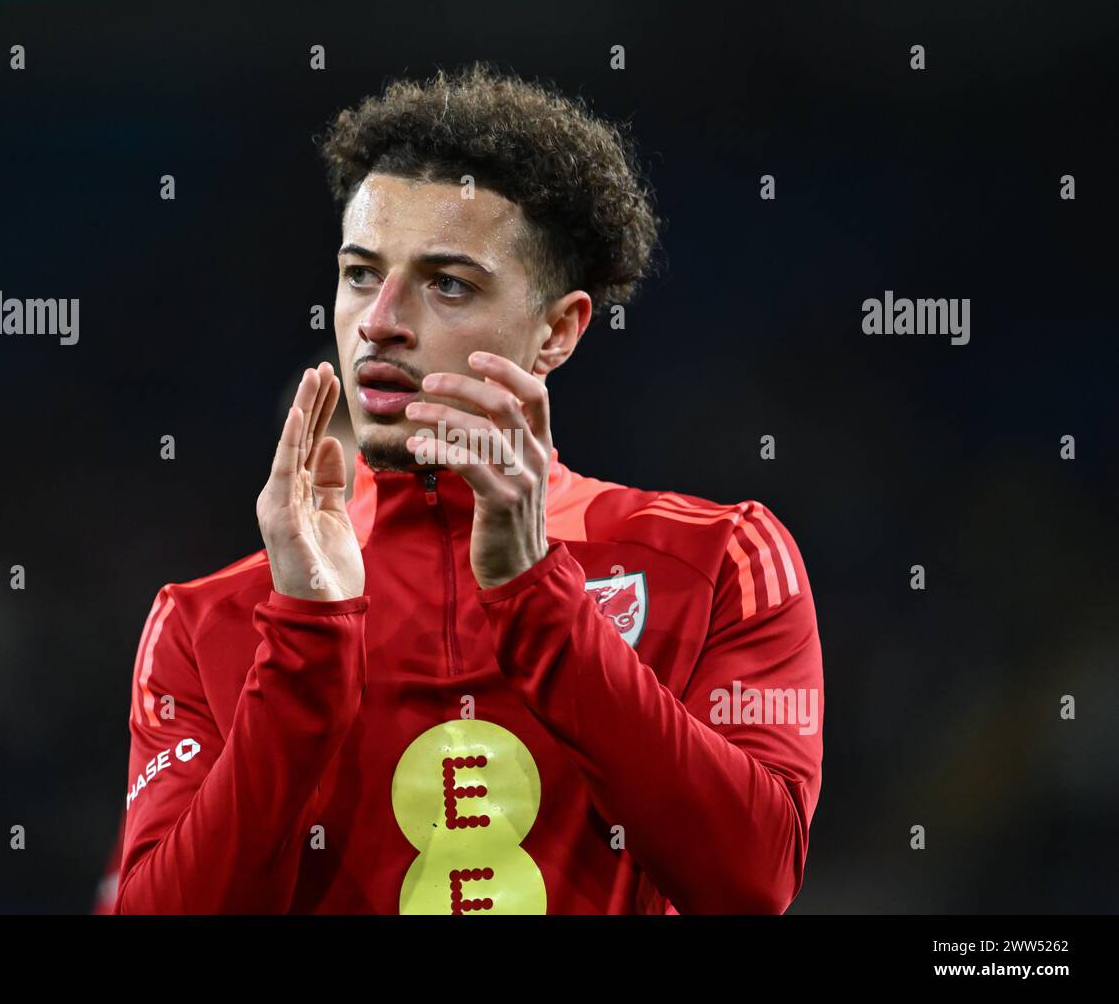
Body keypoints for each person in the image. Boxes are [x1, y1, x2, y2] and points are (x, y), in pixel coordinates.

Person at [108, 62, 823, 914]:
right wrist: (306, 649)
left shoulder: (719, 561)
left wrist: (537, 600)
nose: (381, 320)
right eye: (362, 273)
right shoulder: (209, 621)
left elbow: (753, 881)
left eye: (448, 283)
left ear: (557, 330)